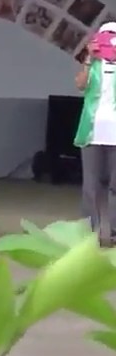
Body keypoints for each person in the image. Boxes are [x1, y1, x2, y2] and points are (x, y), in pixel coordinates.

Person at [75, 22, 116, 246]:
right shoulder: (93, 65)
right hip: (92, 132)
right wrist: (89, 58)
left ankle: (114, 233)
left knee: (115, 185)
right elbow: (80, 85)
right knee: (91, 186)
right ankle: (89, 234)